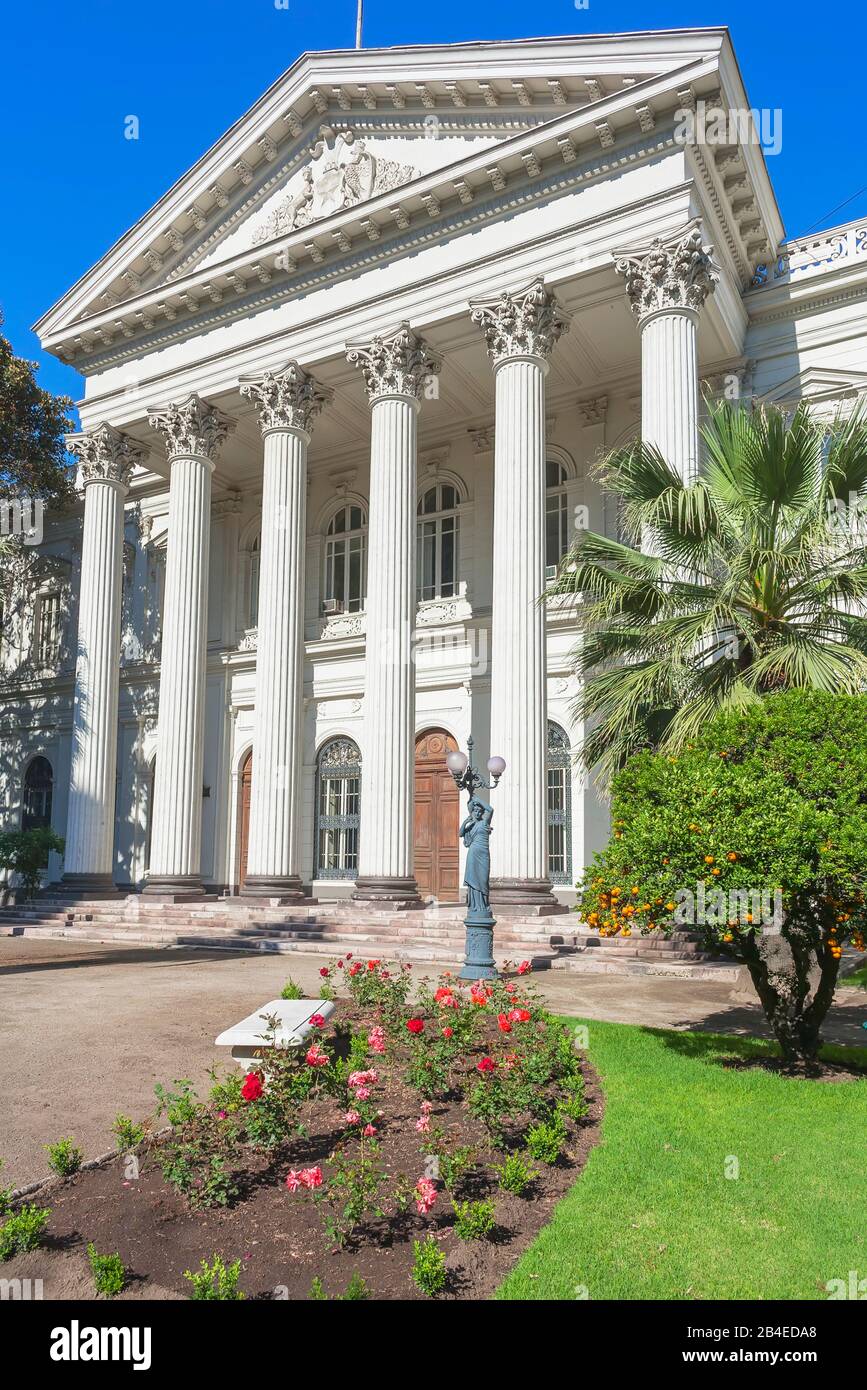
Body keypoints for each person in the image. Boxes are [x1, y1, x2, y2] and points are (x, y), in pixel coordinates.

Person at [460, 796, 494, 918]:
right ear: (472, 811)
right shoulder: (471, 825)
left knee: (483, 880)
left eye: (480, 811)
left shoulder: (484, 822)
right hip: (473, 854)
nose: (478, 812)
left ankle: (484, 905)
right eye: (475, 810)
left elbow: (490, 810)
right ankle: (475, 906)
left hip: (483, 854)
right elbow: (460, 833)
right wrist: (466, 821)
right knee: (473, 880)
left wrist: (477, 799)